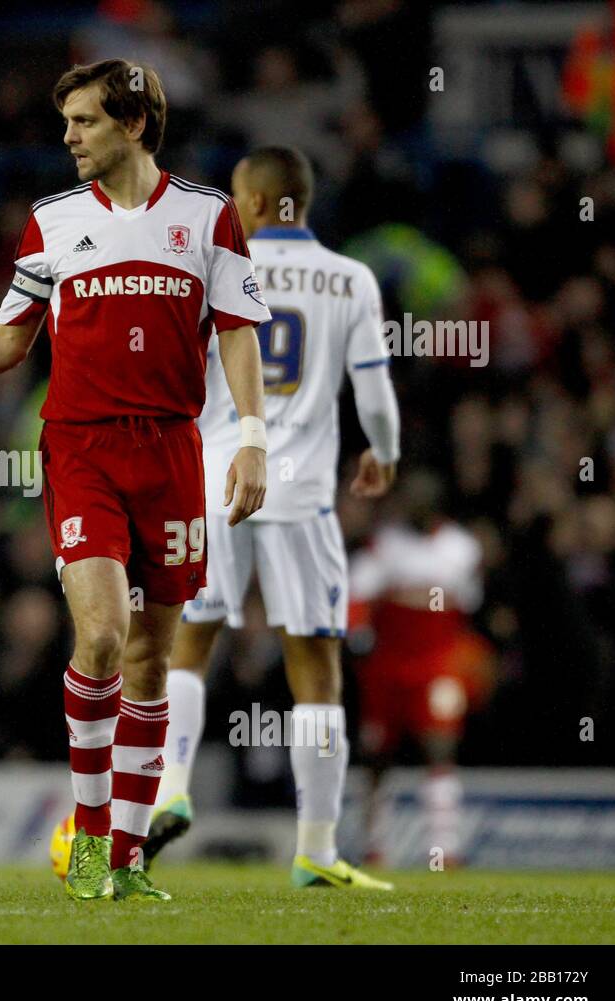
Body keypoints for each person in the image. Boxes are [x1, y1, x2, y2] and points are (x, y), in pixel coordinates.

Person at [0, 59, 270, 902]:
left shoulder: (208, 217)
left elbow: (240, 334)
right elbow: (10, 340)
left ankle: (132, 857)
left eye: (84, 121)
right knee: (103, 636)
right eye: (66, 120)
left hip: (173, 452)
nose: (67, 136)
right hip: (81, 449)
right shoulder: (53, 221)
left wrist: (251, 438)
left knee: (151, 660)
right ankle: (90, 840)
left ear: (135, 125)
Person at [145, 146, 400, 890]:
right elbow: (375, 394)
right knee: (316, 669)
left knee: (187, 642)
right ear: (302, 199)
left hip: (215, 478)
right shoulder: (351, 279)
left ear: (252, 202)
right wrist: (381, 453)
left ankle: (171, 787)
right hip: (301, 495)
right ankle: (316, 847)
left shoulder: (212, 270)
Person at [349, 472, 493, 867]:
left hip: (437, 664)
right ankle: (374, 845)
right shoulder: (385, 546)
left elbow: (471, 605)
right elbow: (356, 593)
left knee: (440, 746)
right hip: (388, 667)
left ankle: (444, 847)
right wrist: (358, 632)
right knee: (377, 755)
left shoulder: (461, 548)